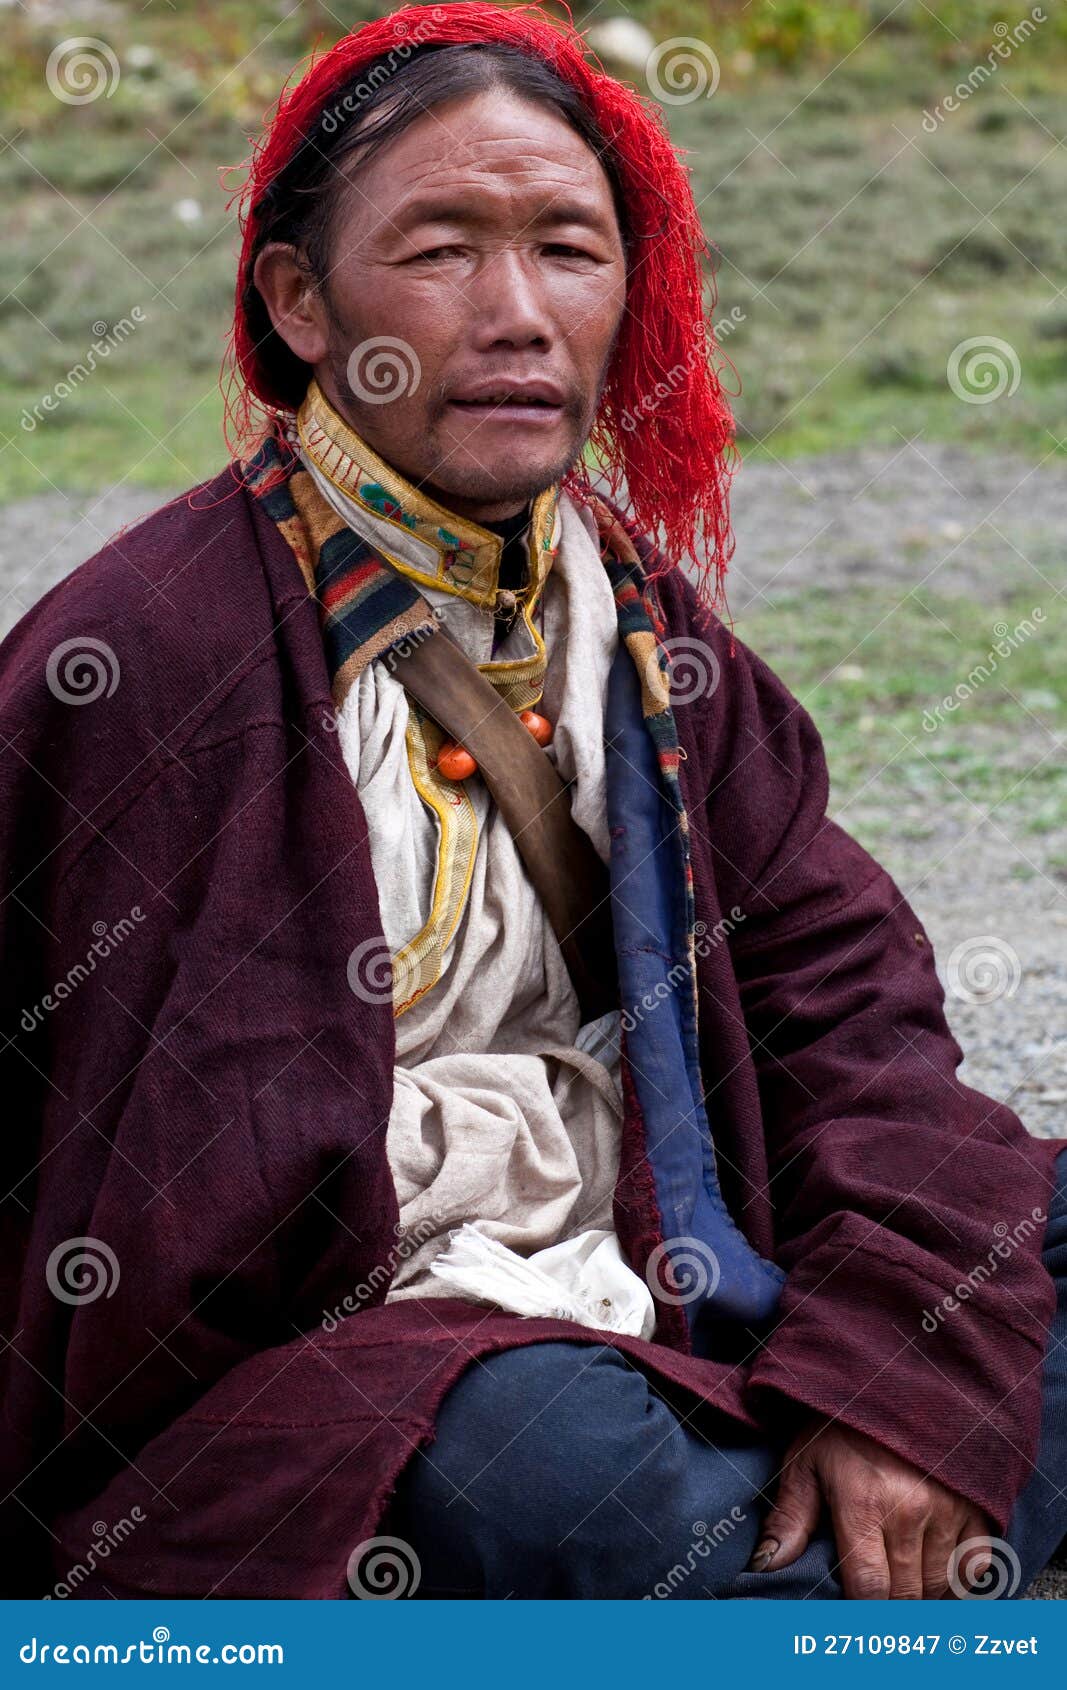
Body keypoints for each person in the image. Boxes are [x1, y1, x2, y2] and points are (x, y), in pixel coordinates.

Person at [1, 2, 1064, 1602]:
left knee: (968, 1269)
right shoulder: (139, 657)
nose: (517, 314)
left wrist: (896, 1374)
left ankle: (811, 1546)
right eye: (439, 252)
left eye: (568, 249)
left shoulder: (648, 633)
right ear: (297, 301)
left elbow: (851, 1026)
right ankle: (864, 1553)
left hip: (669, 1254)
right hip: (358, 1347)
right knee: (556, 1479)